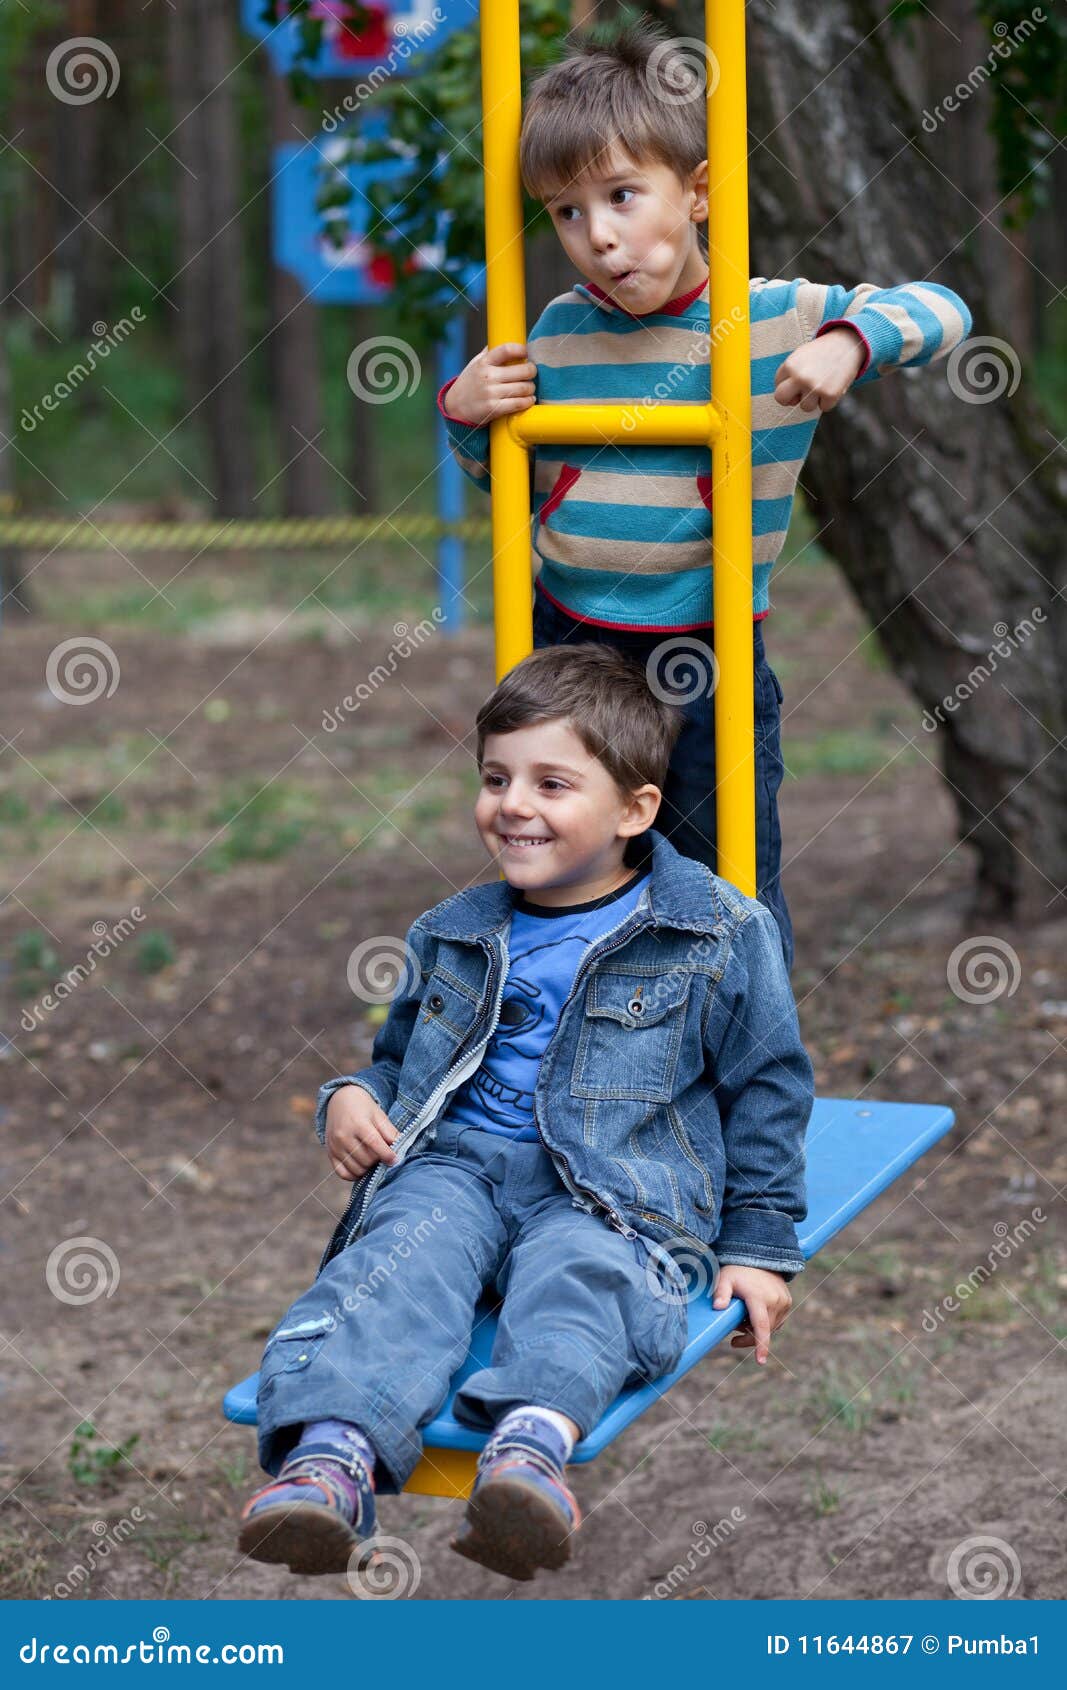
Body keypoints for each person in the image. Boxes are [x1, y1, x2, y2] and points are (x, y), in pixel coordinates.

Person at [238, 644, 814, 1582]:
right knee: (394, 1268)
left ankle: (528, 1454)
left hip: (613, 1187)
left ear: (634, 810)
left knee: (584, 1278)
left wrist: (757, 1245)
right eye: (495, 778)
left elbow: (768, 1088)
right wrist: (351, 1098)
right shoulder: (453, 930)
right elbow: (400, 1067)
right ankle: (328, 1462)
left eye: (551, 784)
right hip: (456, 1166)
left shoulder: (715, 930)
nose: (512, 804)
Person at [438, 15, 973, 976]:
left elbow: (943, 309)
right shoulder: (555, 329)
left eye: (621, 195)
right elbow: (508, 482)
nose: (598, 236)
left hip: (701, 646)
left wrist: (848, 343)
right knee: (569, 865)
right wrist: (467, 414)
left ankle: (743, 1044)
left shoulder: (766, 316)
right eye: (565, 212)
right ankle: (583, 1032)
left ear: (696, 193)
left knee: (719, 872)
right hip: (567, 637)